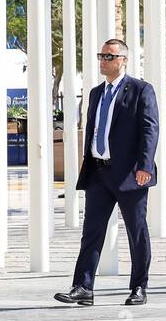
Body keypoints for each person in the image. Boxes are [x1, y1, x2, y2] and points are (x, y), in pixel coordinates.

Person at [55, 40, 159, 307]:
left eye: (109, 56)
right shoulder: (95, 93)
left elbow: (150, 130)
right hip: (99, 173)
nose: (103, 60)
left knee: (136, 232)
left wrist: (145, 166)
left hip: (130, 174)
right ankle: (83, 287)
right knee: (91, 231)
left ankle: (139, 287)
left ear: (123, 60)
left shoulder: (141, 90)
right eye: (101, 55)